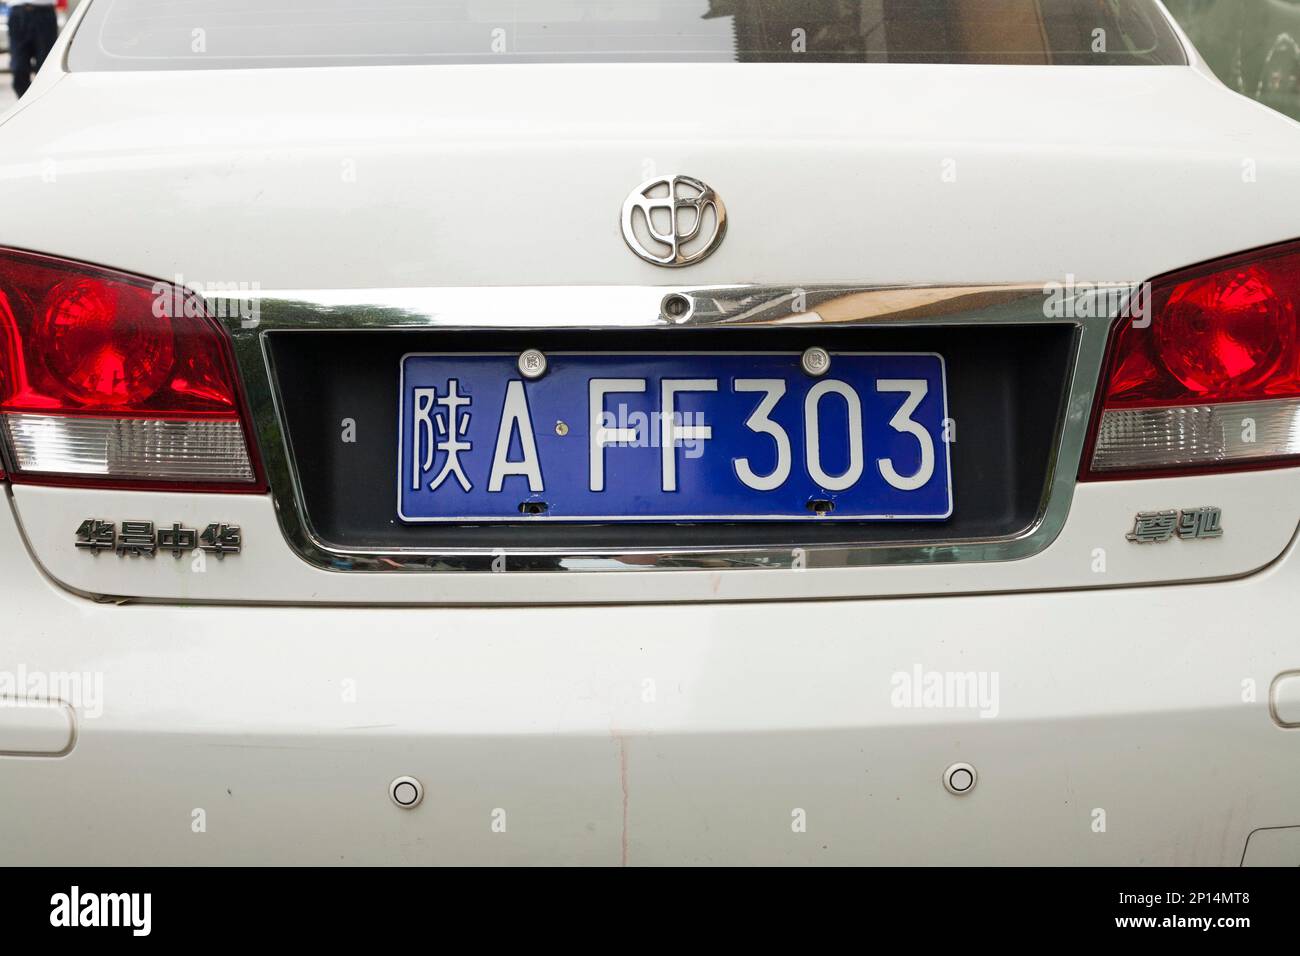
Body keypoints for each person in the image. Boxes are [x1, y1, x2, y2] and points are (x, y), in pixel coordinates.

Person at [8, 0, 60, 99]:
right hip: (18, 14)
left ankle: (44, 102)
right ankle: (26, 102)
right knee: (18, 68)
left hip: (45, 14)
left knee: (45, 69)